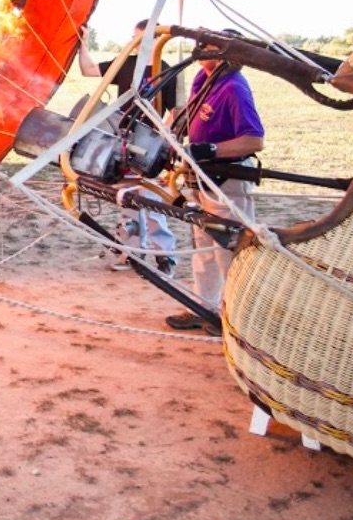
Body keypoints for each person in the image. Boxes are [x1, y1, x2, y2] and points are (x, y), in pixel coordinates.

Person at [165, 47, 265, 336]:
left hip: (226, 178)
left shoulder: (234, 88)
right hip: (202, 176)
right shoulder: (203, 78)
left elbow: (254, 141)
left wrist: (210, 149)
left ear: (225, 56)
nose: (201, 49)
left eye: (210, 46)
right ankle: (204, 308)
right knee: (205, 248)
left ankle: (236, 318)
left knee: (228, 250)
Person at [76, 21, 177, 275]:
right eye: (134, 39)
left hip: (150, 145)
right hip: (123, 142)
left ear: (156, 41)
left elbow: (175, 111)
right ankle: (130, 253)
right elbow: (88, 70)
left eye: (143, 39)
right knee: (127, 200)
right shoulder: (126, 65)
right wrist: (83, 43)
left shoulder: (166, 71)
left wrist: (162, 141)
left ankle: (165, 257)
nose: (137, 44)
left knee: (153, 201)